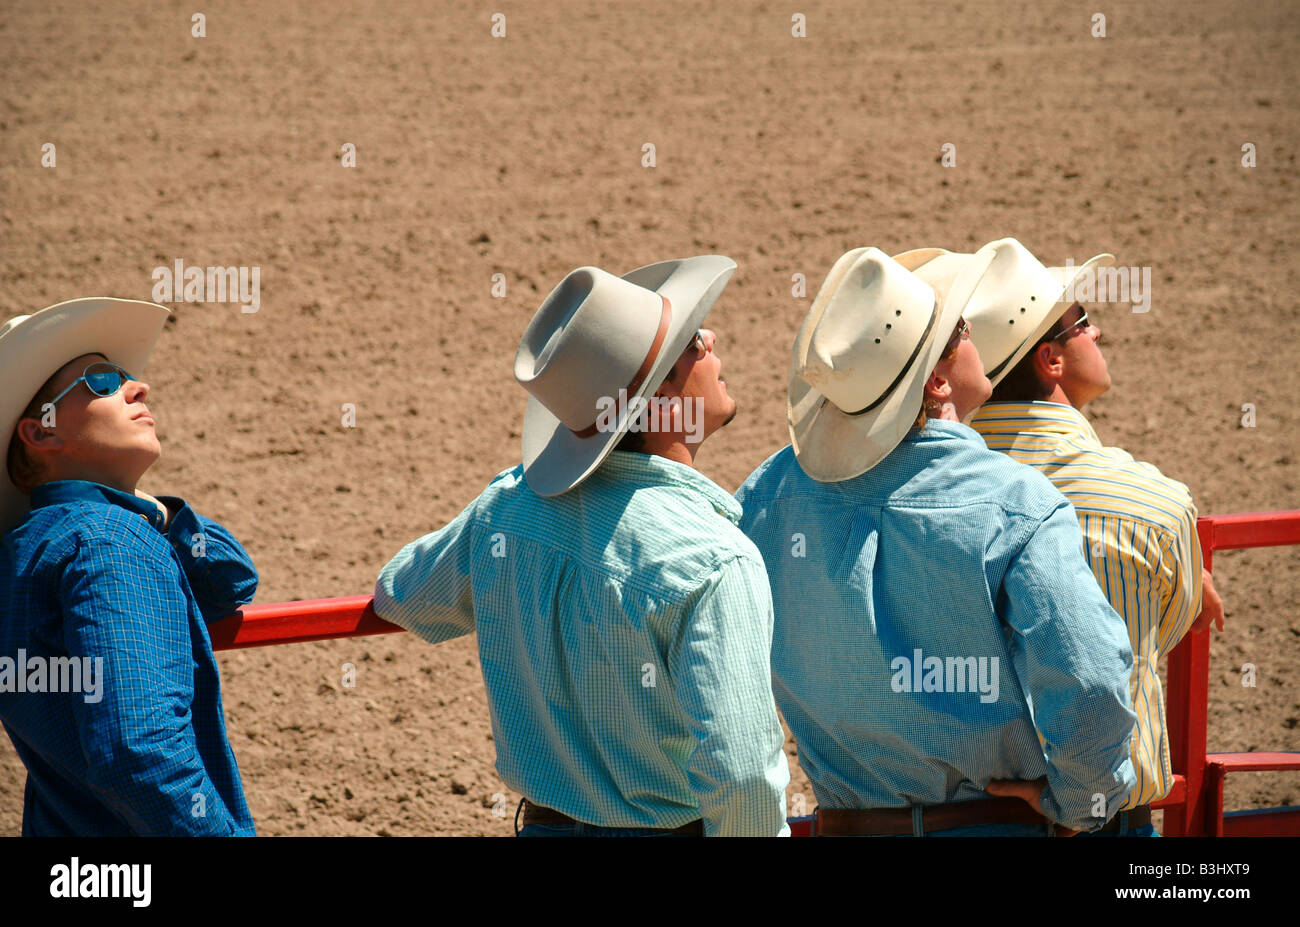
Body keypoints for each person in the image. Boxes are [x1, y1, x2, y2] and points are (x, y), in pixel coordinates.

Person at [374, 257, 790, 836]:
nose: (712, 340)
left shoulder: (506, 512)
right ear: (665, 401)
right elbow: (742, 774)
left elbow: (402, 595)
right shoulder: (715, 559)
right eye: (695, 342)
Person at [735, 246, 1137, 836]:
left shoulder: (766, 497)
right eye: (965, 330)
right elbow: (1089, 679)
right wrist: (1083, 801)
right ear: (940, 379)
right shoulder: (1015, 504)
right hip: (991, 823)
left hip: (846, 822)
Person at [905, 242, 1226, 837]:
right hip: (1104, 813)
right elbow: (1170, 629)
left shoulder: (915, 492)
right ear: (1050, 360)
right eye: (1082, 322)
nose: (1097, 329)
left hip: (954, 811)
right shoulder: (1154, 503)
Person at [0, 297, 258, 836]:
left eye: (127, 377)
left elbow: (231, 580)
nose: (137, 388)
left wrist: (152, 511)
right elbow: (137, 753)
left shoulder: (29, 550)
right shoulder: (109, 541)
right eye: (101, 382)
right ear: (40, 432)